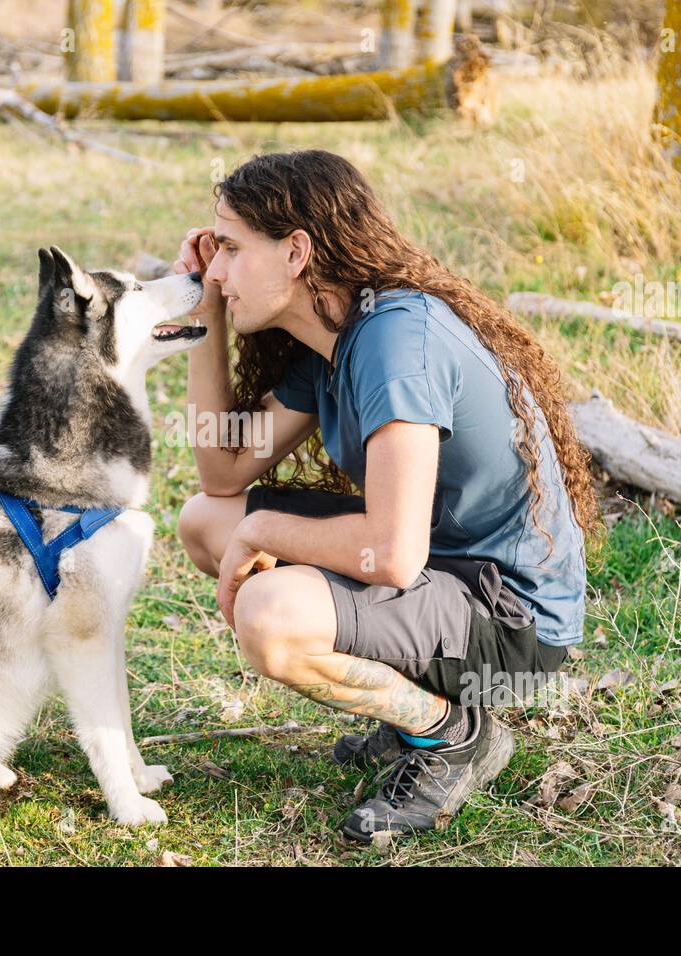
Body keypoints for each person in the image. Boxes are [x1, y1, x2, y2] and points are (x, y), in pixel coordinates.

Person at [171, 149, 604, 842]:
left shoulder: (396, 341)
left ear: (296, 252)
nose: (214, 269)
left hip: (511, 620)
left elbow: (392, 555)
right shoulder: (334, 337)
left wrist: (265, 536)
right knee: (206, 521)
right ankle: (421, 700)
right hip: (442, 572)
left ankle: (451, 731)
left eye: (228, 247)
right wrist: (203, 317)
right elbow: (222, 474)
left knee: (270, 616)